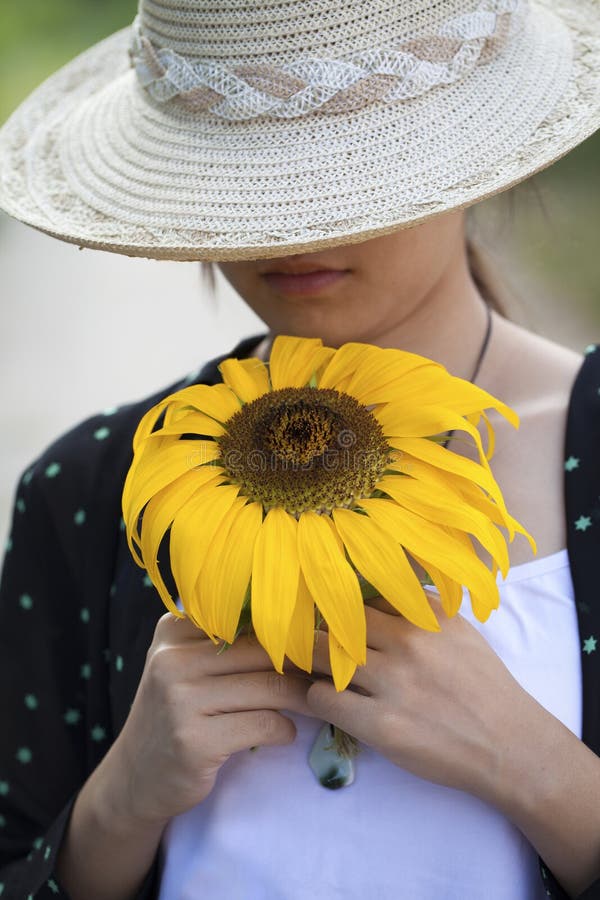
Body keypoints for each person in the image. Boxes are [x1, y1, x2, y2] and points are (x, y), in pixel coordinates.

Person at [0, 1, 599, 898]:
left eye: (345, 173)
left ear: (471, 160)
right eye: (248, 174)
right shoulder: (88, 490)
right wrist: (122, 802)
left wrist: (538, 769)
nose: (298, 230)